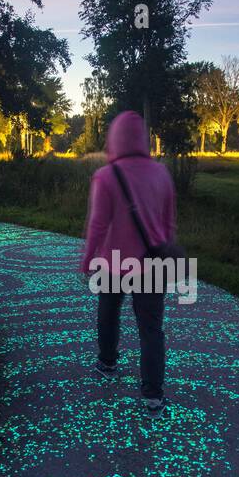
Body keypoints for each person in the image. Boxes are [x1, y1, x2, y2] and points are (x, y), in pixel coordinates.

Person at [80, 111, 177, 416]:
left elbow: (97, 224)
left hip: (113, 264)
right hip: (151, 265)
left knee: (108, 315)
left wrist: (88, 260)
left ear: (115, 138)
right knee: (151, 329)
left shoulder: (106, 176)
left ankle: (107, 363)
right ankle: (153, 395)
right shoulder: (161, 173)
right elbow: (168, 222)